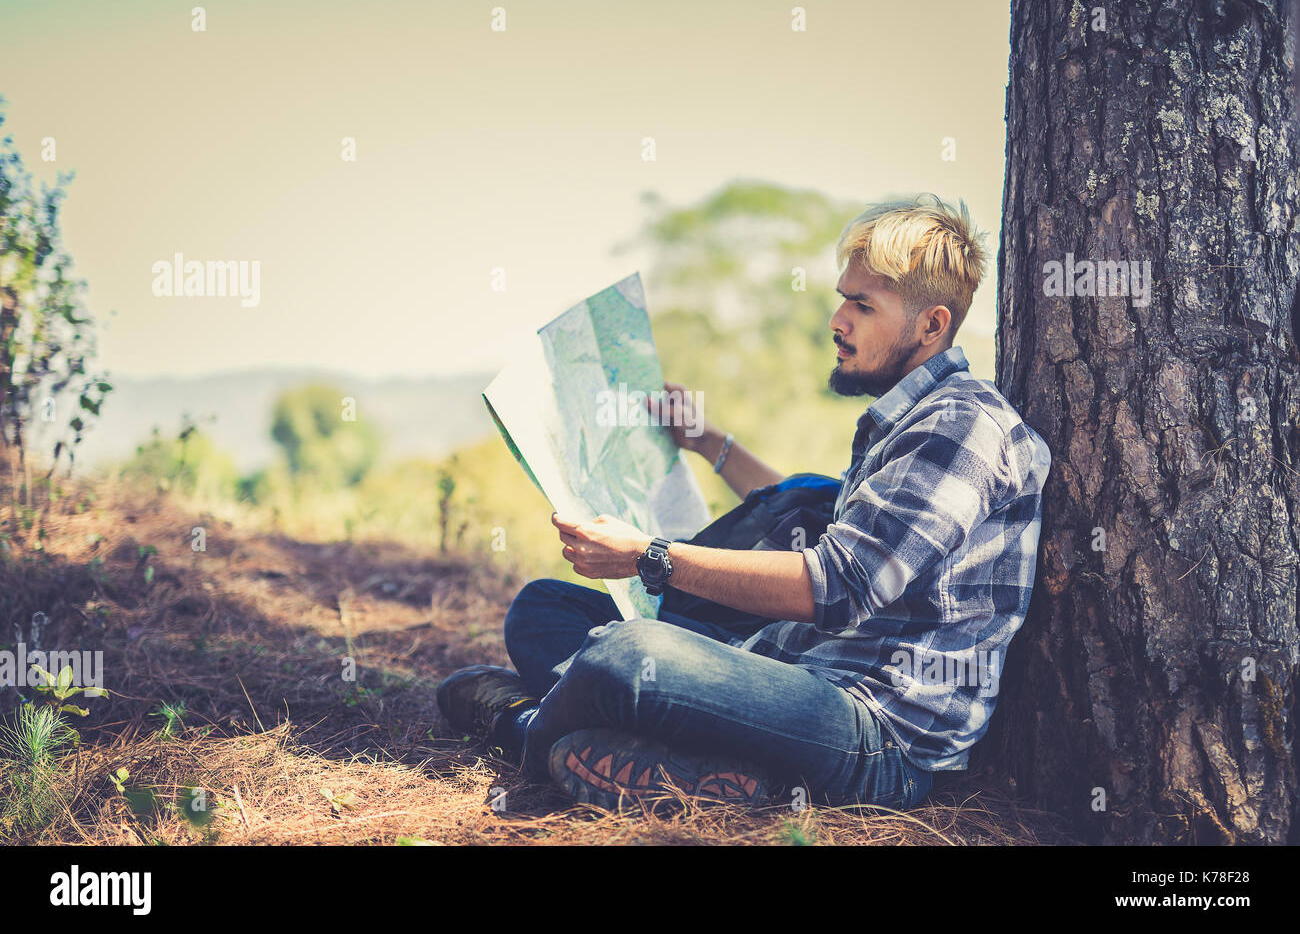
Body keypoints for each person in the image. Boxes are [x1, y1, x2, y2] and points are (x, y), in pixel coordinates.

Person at [438, 194, 1051, 812]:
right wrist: (708, 442)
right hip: (793, 669)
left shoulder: (963, 428)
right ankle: (679, 760)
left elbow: (836, 586)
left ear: (931, 325)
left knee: (626, 654)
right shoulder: (911, 419)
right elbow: (814, 510)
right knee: (547, 608)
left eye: (863, 305)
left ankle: (527, 733)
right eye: (844, 297)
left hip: (875, 736)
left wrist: (648, 555)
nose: (838, 320)